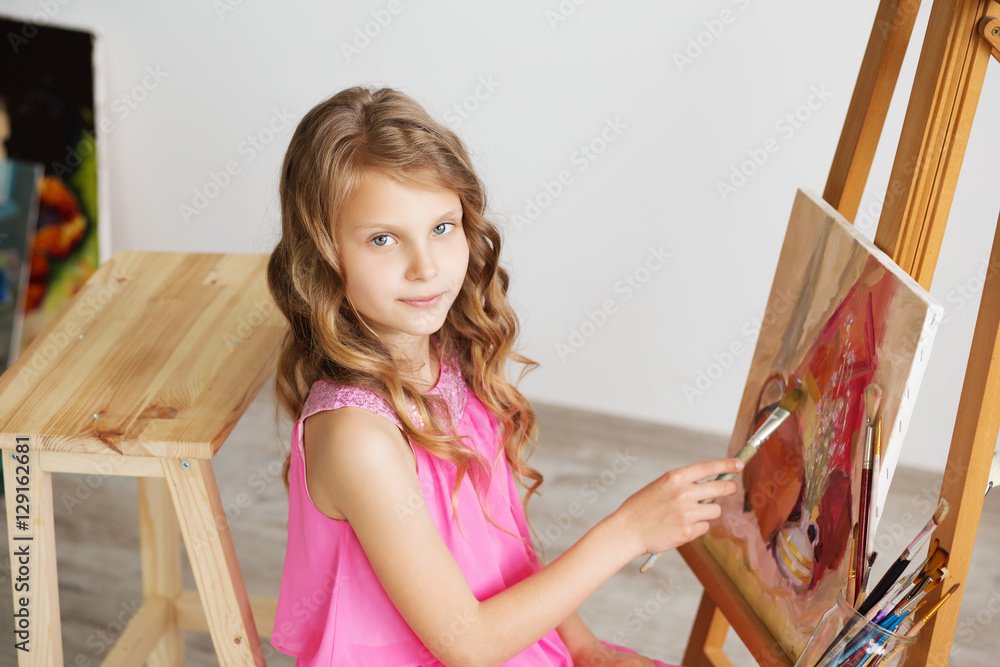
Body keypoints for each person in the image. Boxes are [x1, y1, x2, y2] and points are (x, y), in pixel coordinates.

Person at [267, 85, 743, 667]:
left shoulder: (446, 351)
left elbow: (501, 545)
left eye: (442, 227)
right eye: (383, 239)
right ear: (323, 257)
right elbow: (466, 644)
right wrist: (627, 533)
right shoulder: (356, 438)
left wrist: (585, 646)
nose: (426, 266)